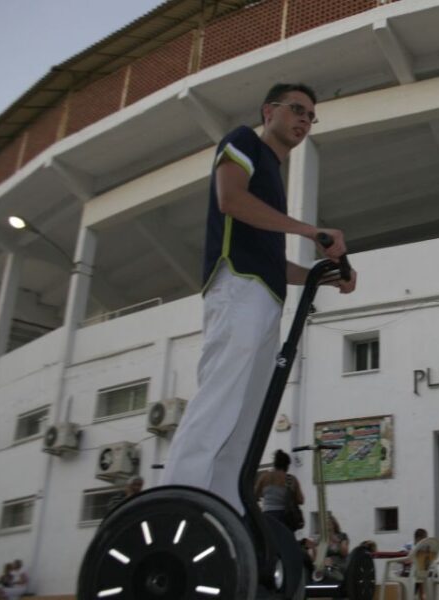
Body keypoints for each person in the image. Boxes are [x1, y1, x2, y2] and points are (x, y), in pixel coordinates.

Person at [160, 82, 356, 514]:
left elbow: (272, 261)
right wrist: (310, 231)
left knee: (247, 415)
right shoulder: (242, 141)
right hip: (238, 287)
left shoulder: (273, 181)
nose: (304, 120)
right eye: (297, 110)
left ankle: (221, 506)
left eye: (310, 116)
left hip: (265, 295)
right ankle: (177, 500)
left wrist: (322, 276)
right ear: (270, 111)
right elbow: (229, 200)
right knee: (222, 396)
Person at [255, 449, 304, 531]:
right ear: (287, 465)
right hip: (286, 518)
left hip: (268, 516)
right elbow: (301, 500)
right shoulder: (291, 479)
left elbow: (253, 496)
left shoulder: (264, 477)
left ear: (275, 463)